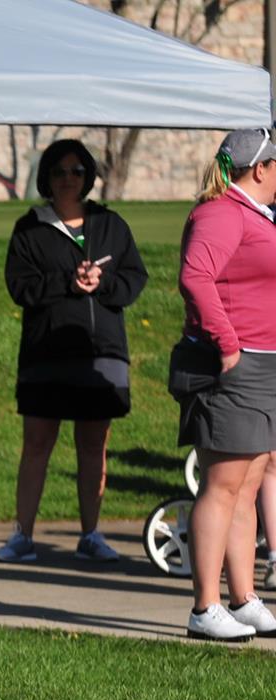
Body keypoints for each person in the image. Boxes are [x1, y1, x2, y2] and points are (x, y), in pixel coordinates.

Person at [0, 139, 148, 563]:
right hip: (46, 352)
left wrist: (103, 285)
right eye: (60, 171)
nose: (68, 179)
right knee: (37, 443)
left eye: (77, 171)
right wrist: (67, 281)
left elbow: (135, 277)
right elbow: (20, 286)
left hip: (102, 352)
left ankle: (91, 535)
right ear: (47, 176)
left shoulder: (111, 225)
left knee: (93, 445)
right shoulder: (30, 227)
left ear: (88, 176)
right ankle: (21, 535)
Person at [170, 128, 276, 641]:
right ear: (260, 168)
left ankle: (242, 596)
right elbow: (195, 277)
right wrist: (228, 343)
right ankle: (204, 606)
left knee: (249, 484)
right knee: (223, 485)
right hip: (232, 367)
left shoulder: (253, 214)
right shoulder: (220, 212)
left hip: (263, 365)